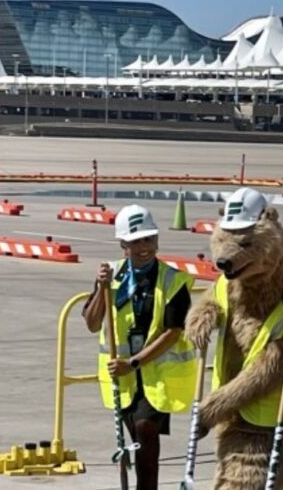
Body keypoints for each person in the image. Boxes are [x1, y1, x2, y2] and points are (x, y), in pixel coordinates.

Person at [82, 204, 197, 490]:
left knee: (146, 434)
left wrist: (133, 362)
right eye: (136, 241)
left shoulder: (173, 280)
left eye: (148, 239)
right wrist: (102, 288)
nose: (144, 247)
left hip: (155, 377)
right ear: (123, 244)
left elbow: (173, 332)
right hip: (123, 379)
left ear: (157, 240)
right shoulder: (113, 275)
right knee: (135, 441)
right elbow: (93, 323)